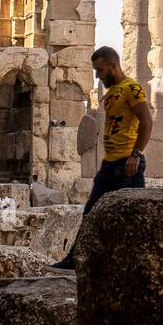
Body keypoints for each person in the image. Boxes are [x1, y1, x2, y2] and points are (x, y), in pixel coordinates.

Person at [49, 46, 152, 270]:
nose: (98, 75)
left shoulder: (132, 88)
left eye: (101, 70)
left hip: (128, 164)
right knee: (90, 211)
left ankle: (138, 264)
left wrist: (136, 154)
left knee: (132, 218)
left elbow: (146, 121)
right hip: (109, 164)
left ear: (113, 67)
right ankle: (75, 258)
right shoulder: (112, 92)